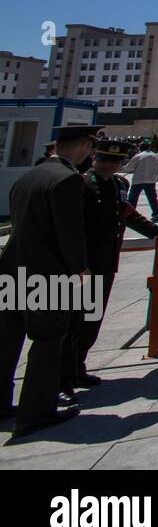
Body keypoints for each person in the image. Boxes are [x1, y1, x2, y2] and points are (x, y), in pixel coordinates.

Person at [0, 124, 97, 437]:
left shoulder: (29, 176)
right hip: (48, 274)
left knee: (7, 342)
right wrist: (81, 270)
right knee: (46, 342)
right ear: (82, 145)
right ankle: (36, 412)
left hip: (13, 268)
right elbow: (70, 233)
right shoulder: (68, 180)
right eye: (90, 148)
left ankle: (2, 405)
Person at [63, 140, 158, 393]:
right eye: (105, 161)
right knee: (73, 321)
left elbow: (127, 213)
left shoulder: (117, 185)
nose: (110, 166)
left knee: (92, 319)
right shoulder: (81, 185)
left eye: (115, 162)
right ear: (94, 160)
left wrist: (156, 231)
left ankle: (77, 367)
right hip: (83, 265)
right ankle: (63, 375)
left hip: (105, 262)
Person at [121, 141, 158, 218]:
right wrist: (157, 174)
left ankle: (130, 214)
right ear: (149, 147)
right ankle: (156, 214)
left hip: (138, 180)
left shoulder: (138, 156)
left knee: (133, 198)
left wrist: (122, 169)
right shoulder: (156, 155)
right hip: (151, 180)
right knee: (152, 198)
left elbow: (129, 168)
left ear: (139, 148)